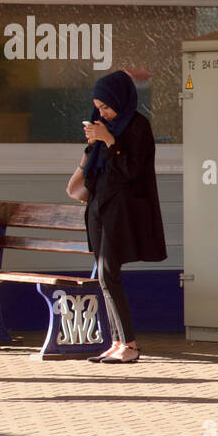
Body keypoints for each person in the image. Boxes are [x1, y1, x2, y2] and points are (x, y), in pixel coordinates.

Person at [65, 70, 166, 364]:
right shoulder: (103, 128)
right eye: (98, 107)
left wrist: (110, 141)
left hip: (121, 211)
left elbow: (132, 171)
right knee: (103, 276)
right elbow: (93, 174)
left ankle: (129, 344)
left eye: (106, 107)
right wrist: (94, 142)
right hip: (98, 207)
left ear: (120, 101)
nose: (102, 113)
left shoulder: (137, 127)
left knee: (110, 272)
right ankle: (116, 340)